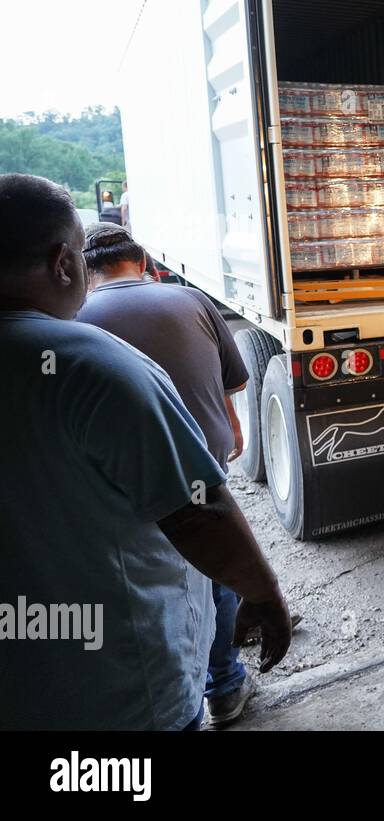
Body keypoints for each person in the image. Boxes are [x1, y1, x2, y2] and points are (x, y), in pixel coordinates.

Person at [0, 173, 292, 730]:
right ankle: (225, 684)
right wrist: (263, 593)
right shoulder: (91, 365)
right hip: (122, 694)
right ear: (64, 262)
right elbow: (198, 512)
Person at [76, 221, 258, 727]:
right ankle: (223, 684)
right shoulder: (189, 300)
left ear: (87, 273)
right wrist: (231, 426)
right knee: (214, 559)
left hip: (127, 469)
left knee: (150, 572)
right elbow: (229, 380)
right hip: (203, 452)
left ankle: (180, 684)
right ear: (142, 264)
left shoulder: (77, 317)